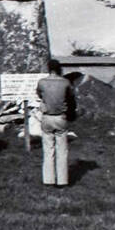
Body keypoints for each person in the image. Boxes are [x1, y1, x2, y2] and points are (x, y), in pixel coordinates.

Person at [36, 58, 75, 188]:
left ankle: (48, 179)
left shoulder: (42, 82)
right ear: (59, 69)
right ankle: (62, 180)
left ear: (48, 68)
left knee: (48, 150)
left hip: (47, 117)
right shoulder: (65, 82)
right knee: (62, 150)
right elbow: (70, 99)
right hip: (60, 118)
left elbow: (40, 95)